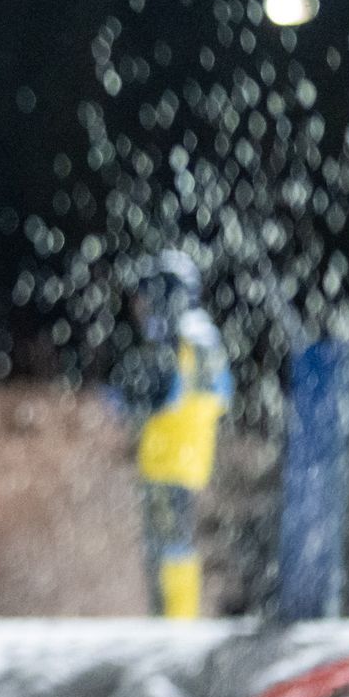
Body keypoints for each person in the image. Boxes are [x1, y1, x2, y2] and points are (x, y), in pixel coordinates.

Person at [112, 250, 231, 618]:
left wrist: (120, 398)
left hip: (166, 458)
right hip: (194, 456)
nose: (140, 306)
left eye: (147, 295)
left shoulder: (174, 337)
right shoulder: (207, 338)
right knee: (179, 539)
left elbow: (155, 394)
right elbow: (223, 395)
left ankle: (174, 620)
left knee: (165, 544)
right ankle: (181, 616)